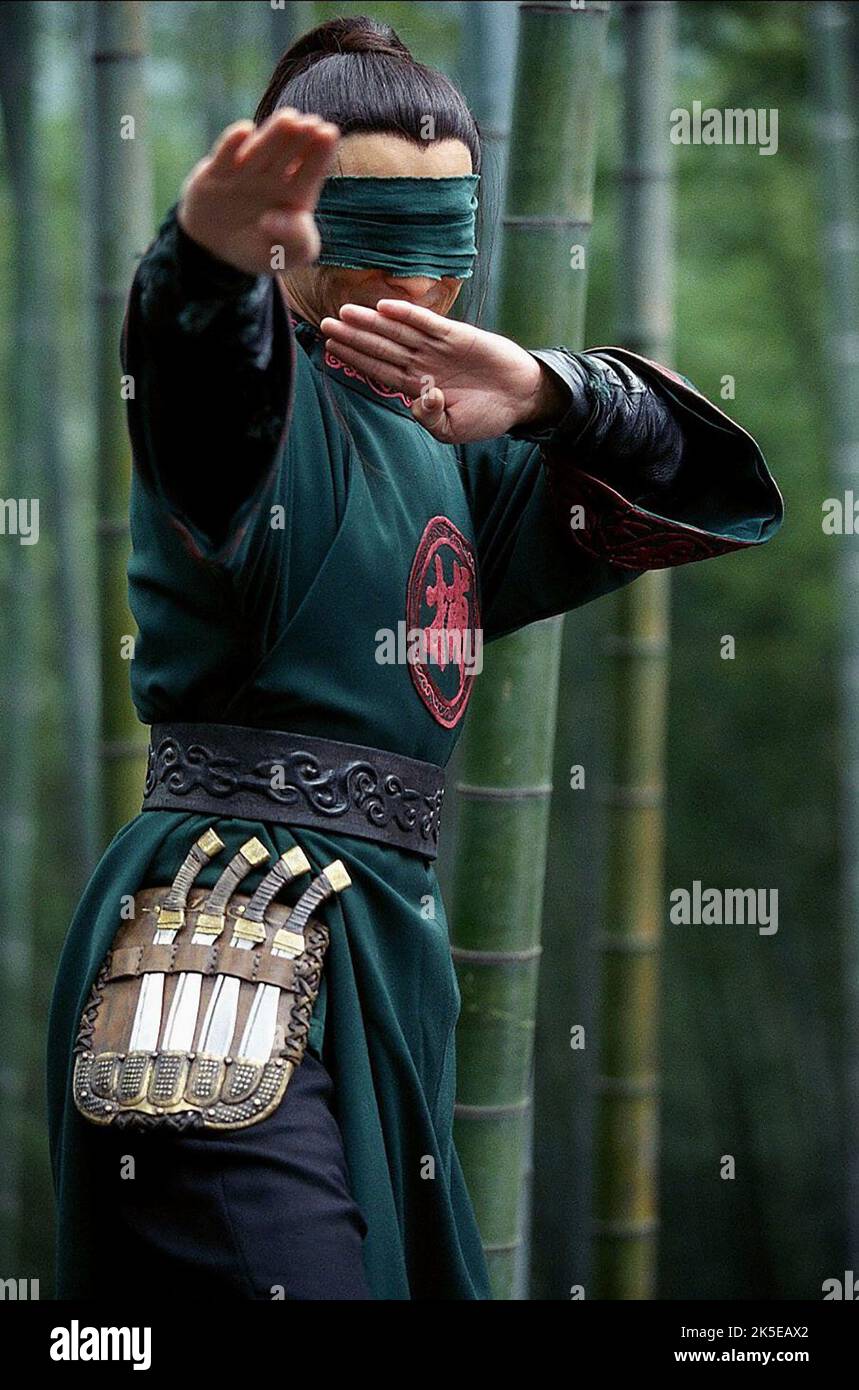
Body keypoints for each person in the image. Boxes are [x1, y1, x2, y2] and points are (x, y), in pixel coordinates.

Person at [47, 15, 783, 1301]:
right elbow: (199, 361)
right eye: (370, 239)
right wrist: (207, 254)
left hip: (386, 959)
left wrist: (551, 392)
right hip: (216, 948)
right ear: (297, 234)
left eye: (439, 244)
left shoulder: (451, 445)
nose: (410, 288)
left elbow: (708, 485)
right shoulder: (255, 422)